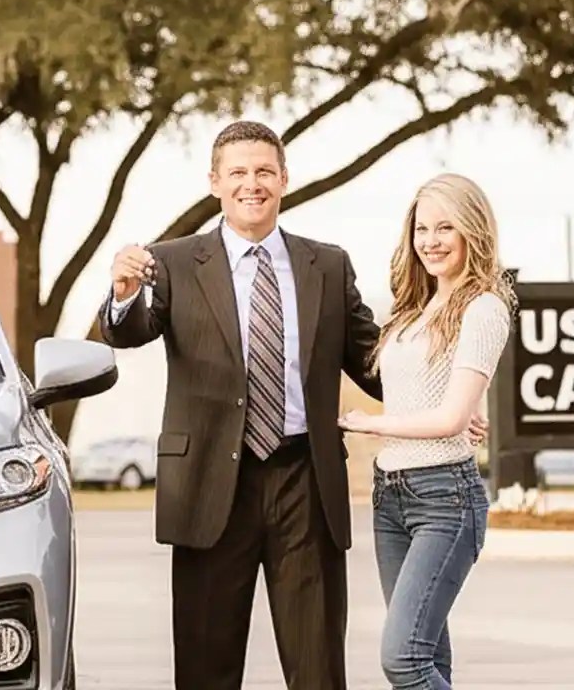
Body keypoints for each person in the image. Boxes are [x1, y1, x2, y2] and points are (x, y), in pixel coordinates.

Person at [98, 121, 485, 690]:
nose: (251, 184)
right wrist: (124, 294)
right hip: (208, 488)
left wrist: (447, 398)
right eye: (237, 173)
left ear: (283, 179)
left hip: (305, 483)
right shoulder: (174, 262)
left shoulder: (326, 266)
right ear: (214, 182)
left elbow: (373, 362)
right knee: (205, 670)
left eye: (262, 171)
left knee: (317, 670)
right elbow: (127, 334)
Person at [337, 173, 514, 689]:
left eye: (445, 228)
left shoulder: (483, 307)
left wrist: (371, 423)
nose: (430, 241)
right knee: (429, 658)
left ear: (472, 233)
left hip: (444, 498)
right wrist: (459, 408)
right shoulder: (415, 308)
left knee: (404, 659)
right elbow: (434, 393)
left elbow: (449, 420)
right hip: (391, 496)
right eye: (422, 228)